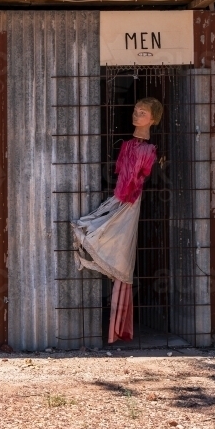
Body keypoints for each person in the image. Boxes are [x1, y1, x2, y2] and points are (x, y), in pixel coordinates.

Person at [71, 97, 163, 343]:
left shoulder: (147, 150)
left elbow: (131, 183)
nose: (136, 114)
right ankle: (117, 325)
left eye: (142, 112)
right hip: (122, 200)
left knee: (118, 253)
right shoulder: (129, 146)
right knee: (94, 232)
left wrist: (123, 199)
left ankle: (120, 326)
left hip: (129, 202)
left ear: (152, 119)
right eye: (135, 110)